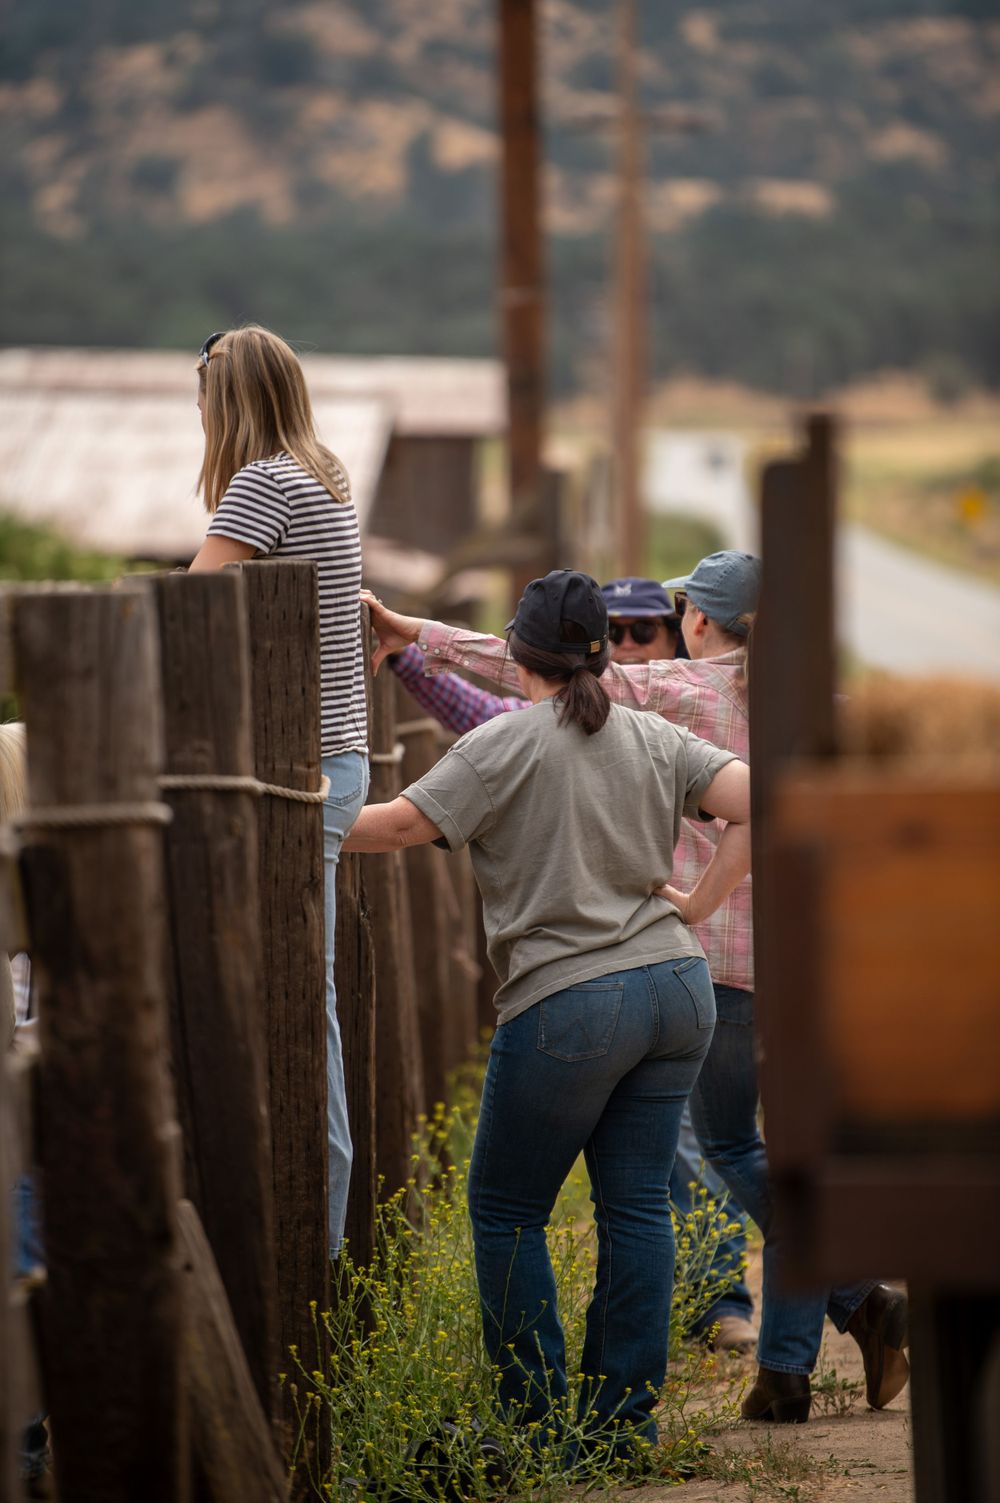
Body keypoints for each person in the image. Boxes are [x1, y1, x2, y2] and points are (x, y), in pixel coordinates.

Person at [362, 549, 909, 1423]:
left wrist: (310, 813)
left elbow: (428, 785)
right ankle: (722, 1387)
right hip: (763, 973)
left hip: (672, 975)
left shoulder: (654, 698)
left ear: (698, 620)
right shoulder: (795, 710)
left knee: (637, 1172)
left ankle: (544, 1412)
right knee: (719, 1175)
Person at [347, 569, 752, 1457]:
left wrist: (303, 814)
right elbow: (757, 803)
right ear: (602, 655)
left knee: (506, 1210)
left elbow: (398, 827)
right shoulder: (651, 732)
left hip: (573, 1001)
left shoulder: (500, 743)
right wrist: (697, 905)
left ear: (519, 653)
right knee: (637, 1206)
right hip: (678, 988)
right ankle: (619, 1429)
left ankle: (532, 1424)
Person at [188, 325, 369, 1253]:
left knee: (301, 994)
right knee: (306, 986)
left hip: (302, 767)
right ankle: (315, 1218)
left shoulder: (262, 483)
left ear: (226, 402)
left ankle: (314, 1231)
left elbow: (188, 607)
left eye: (202, 394)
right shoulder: (325, 475)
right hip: (338, 760)